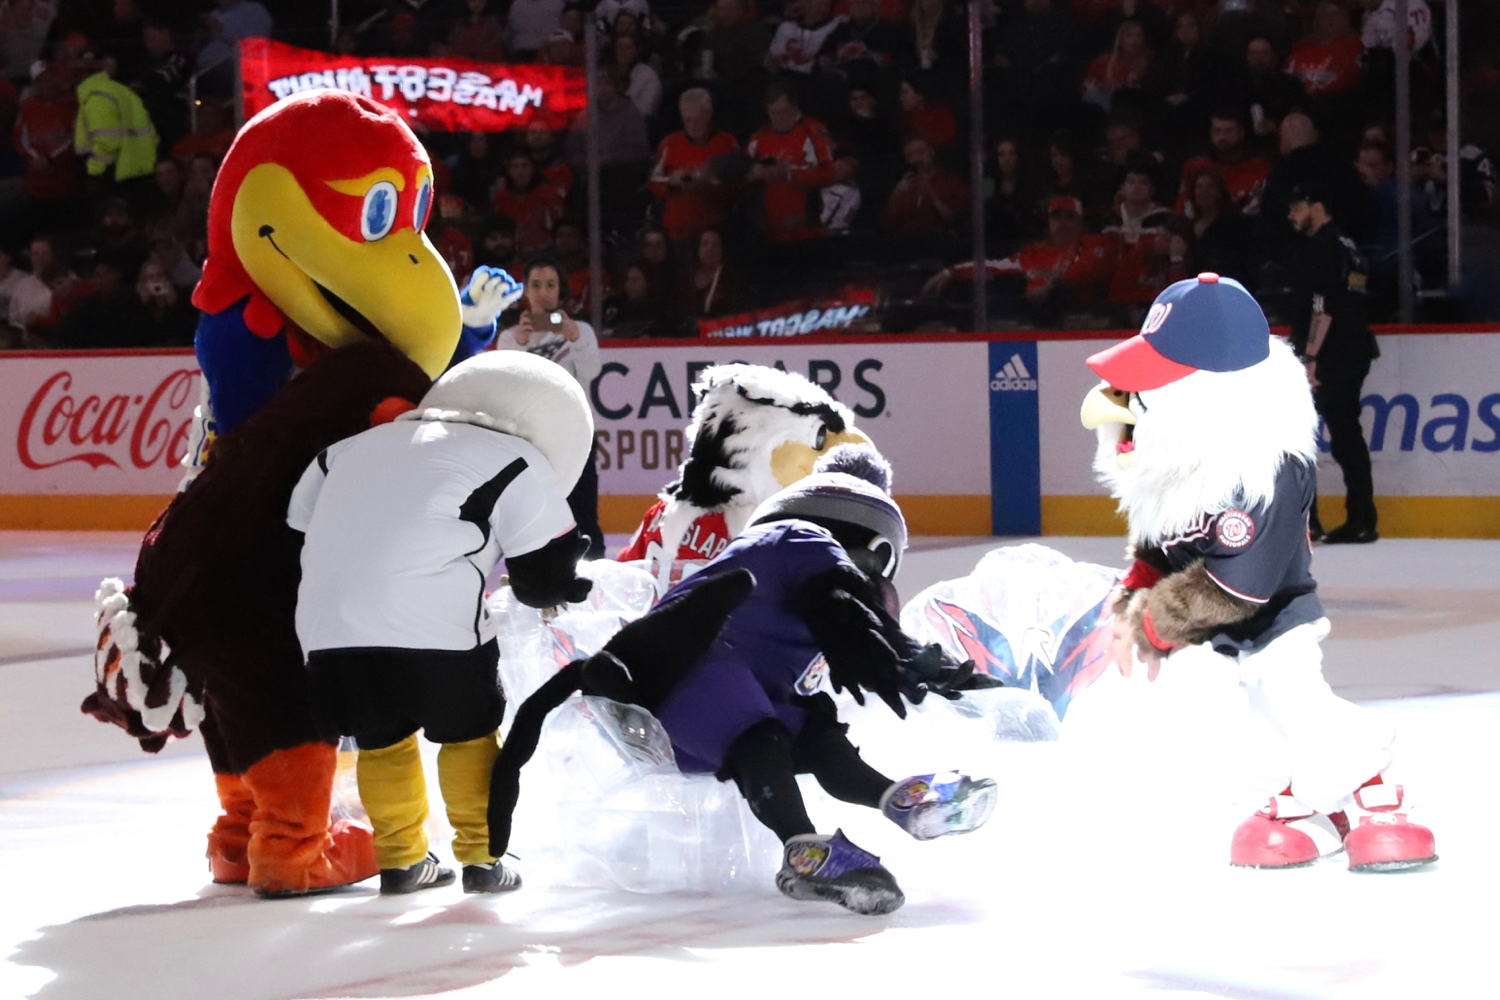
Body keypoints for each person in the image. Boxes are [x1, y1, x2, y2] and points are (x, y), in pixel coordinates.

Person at [490, 445, 998, 915]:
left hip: (727, 698)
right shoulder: (802, 540)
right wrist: (920, 666)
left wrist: (919, 667)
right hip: (684, 684)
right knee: (763, 730)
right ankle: (802, 849)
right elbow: (854, 617)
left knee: (816, 732)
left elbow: (857, 633)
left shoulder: (786, 562)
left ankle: (895, 798)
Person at [290, 351, 595, 895]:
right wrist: (565, 580)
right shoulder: (517, 457)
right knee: (470, 733)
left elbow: (297, 524)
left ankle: (402, 860)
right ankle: (483, 856)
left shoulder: (341, 452)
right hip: (439, 635)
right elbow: (540, 580)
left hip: (327, 634)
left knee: (380, 738)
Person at [1286, 182, 1379, 544]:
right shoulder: (1347, 246)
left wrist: (1310, 358)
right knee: (1346, 437)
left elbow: (1322, 305)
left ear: (1316, 204)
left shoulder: (1323, 246)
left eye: (1296, 207)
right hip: (1352, 351)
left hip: (1328, 356)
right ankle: (1362, 518)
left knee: (1300, 439)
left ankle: (1309, 522)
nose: (1291, 216)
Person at [495, 259, 605, 558]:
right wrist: (520, 343)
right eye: (536, 285)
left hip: (574, 433)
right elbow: (509, 383)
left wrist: (574, 339)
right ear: (526, 292)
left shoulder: (580, 330)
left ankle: (594, 575)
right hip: (531, 437)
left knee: (584, 513)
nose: (543, 293)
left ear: (561, 291)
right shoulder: (509, 337)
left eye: (550, 285)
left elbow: (592, 371)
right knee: (535, 515)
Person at [923, 196, 1116, 326]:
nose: (1062, 224)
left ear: (1081, 222)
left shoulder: (1093, 244)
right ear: (1049, 223)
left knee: (1060, 294)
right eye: (1056, 218)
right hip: (1032, 311)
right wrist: (950, 272)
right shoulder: (1034, 252)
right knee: (984, 301)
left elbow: (1089, 270)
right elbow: (994, 266)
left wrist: (1051, 285)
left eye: (1070, 217)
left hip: (1076, 311)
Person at [745, 83, 840, 245]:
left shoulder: (812, 131)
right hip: (769, 234)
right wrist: (753, 174)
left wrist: (789, 174)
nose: (778, 118)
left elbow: (829, 174)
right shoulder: (758, 139)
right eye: (773, 113)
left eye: (783, 112)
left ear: (795, 107)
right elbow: (742, 175)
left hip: (807, 231)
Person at [648, 89, 741, 246]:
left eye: (698, 119)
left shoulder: (726, 143)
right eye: (688, 120)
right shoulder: (670, 143)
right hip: (678, 231)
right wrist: (672, 183)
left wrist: (710, 185)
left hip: (715, 230)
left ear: (709, 116)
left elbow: (741, 183)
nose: (693, 125)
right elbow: (652, 181)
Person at [74, 52, 159, 186]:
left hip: (115, 173)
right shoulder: (122, 92)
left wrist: (95, 173)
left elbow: (107, 139)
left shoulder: (97, 97)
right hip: (140, 168)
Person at [1176, 110, 1271, 217]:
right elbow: (1181, 207)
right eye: (1217, 131)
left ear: (1241, 133)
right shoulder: (1194, 166)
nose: (1222, 137)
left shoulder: (1261, 168)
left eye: (1229, 131)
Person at [880, 134, 967, 248]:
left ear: (931, 151)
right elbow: (886, 225)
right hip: (906, 245)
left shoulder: (953, 182)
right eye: (910, 155)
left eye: (920, 152)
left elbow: (958, 222)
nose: (917, 158)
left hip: (941, 244)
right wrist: (896, 193)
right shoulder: (904, 184)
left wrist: (932, 196)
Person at [491, 151, 564, 252]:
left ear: (533, 169)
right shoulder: (501, 197)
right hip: (512, 251)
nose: (520, 171)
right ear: (508, 171)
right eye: (515, 166)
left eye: (525, 166)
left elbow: (559, 225)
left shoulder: (548, 194)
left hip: (546, 250)